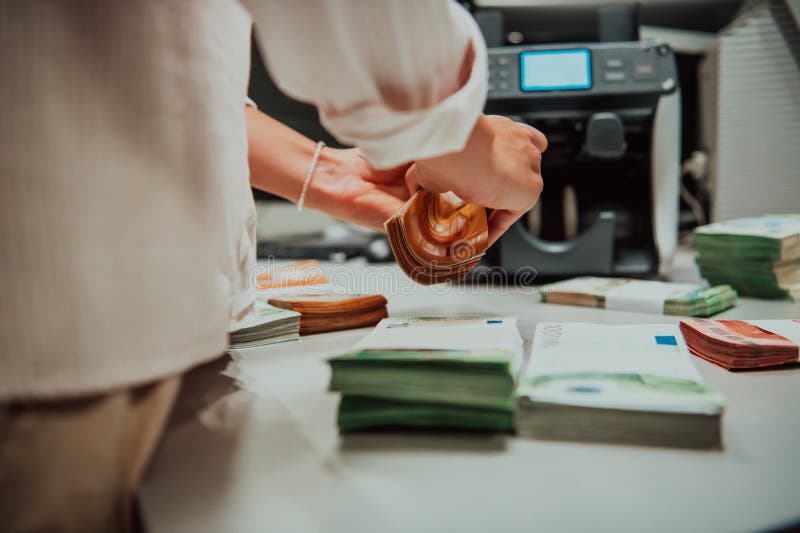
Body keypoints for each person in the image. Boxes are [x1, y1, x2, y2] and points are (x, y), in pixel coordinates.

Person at [0, 1, 546, 532]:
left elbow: (140, 68)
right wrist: (463, 141)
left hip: (152, 330)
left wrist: (333, 174)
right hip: (58, 339)